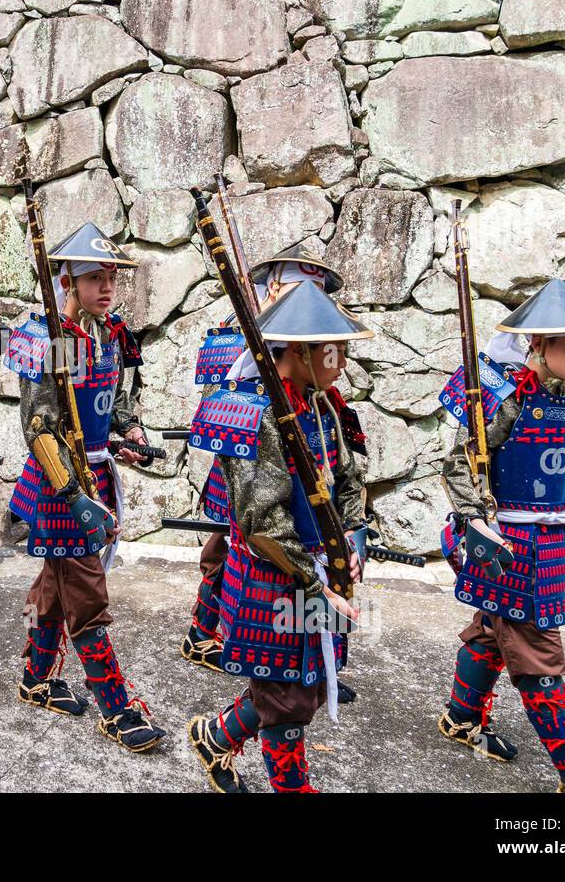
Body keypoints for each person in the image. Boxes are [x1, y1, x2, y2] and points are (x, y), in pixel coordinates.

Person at [436, 279, 565, 793]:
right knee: (538, 652)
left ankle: (460, 718)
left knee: (494, 629)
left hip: (552, 539)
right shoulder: (500, 397)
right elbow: (460, 465)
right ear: (539, 343)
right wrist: (476, 521)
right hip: (510, 544)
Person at [185, 283, 371, 792]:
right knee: (286, 695)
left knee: (298, 684)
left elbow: (348, 478)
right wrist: (317, 585)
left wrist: (352, 538)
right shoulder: (256, 411)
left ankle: (217, 736)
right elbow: (263, 521)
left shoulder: (326, 405)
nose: (342, 358)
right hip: (274, 574)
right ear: (298, 351)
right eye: (333, 348)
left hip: (318, 569)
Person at [6, 221, 164, 753]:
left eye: (111, 277)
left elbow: (113, 403)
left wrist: (127, 432)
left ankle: (36, 677)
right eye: (95, 277)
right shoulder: (50, 340)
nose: (107, 286)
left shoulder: (110, 333)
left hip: (97, 471)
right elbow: (40, 429)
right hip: (62, 483)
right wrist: (75, 496)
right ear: (68, 282)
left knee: (55, 588)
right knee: (88, 596)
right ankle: (116, 709)